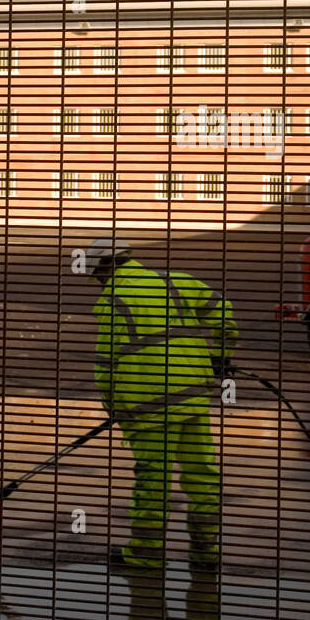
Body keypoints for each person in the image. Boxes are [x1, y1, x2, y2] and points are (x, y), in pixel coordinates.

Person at [85, 235, 237, 573]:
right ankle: (205, 553)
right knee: (203, 476)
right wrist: (221, 359)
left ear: (106, 269)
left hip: (148, 407)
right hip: (193, 398)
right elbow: (224, 312)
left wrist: (114, 409)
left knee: (153, 480)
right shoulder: (175, 281)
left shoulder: (112, 301)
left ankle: (145, 552)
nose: (97, 283)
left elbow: (106, 366)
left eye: (97, 276)